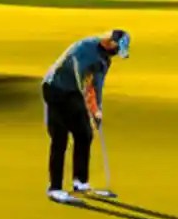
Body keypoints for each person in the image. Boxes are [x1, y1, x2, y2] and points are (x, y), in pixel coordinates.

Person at [41, 29, 131, 203]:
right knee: (59, 138)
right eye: (116, 49)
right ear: (110, 42)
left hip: (73, 92)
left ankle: (80, 181)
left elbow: (96, 85)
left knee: (84, 134)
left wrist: (97, 110)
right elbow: (81, 79)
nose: (115, 54)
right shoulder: (85, 48)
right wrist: (89, 107)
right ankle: (55, 188)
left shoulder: (105, 59)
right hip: (55, 88)